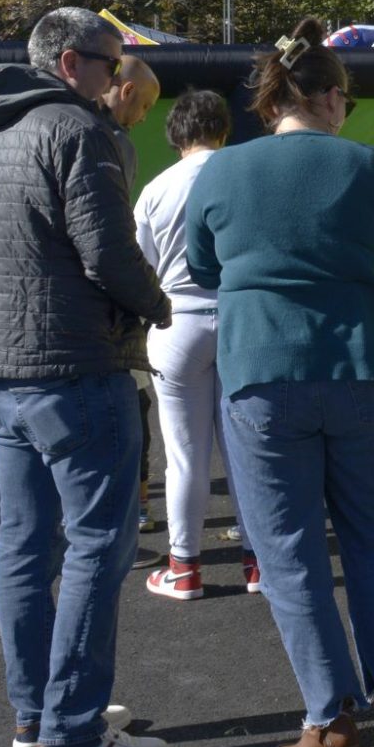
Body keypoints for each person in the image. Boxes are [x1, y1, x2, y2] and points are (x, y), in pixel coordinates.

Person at [184, 17, 374, 747]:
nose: (346, 110)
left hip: (261, 377)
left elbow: (202, 268)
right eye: (346, 98)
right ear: (325, 97)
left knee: (289, 555)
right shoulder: (371, 167)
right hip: (358, 371)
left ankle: (331, 715)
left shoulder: (219, 171)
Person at [0, 6, 174, 747]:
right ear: (74, 61)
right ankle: (73, 731)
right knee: (96, 545)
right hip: (74, 368)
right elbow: (108, 250)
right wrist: (159, 304)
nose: (121, 82)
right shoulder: (78, 132)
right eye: (114, 66)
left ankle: (38, 712)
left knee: (23, 543)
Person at [134, 88, 259, 600]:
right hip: (241, 321)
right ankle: (258, 564)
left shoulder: (155, 190)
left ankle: (184, 568)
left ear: (175, 136)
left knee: (184, 455)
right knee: (246, 451)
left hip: (175, 324)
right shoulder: (248, 175)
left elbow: (138, 266)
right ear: (224, 129)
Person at [102, 52, 164, 540]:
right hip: (104, 321)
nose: (143, 118)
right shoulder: (112, 143)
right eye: (143, 107)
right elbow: (113, 242)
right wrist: (153, 305)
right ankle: (123, 520)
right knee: (130, 422)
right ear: (126, 93)